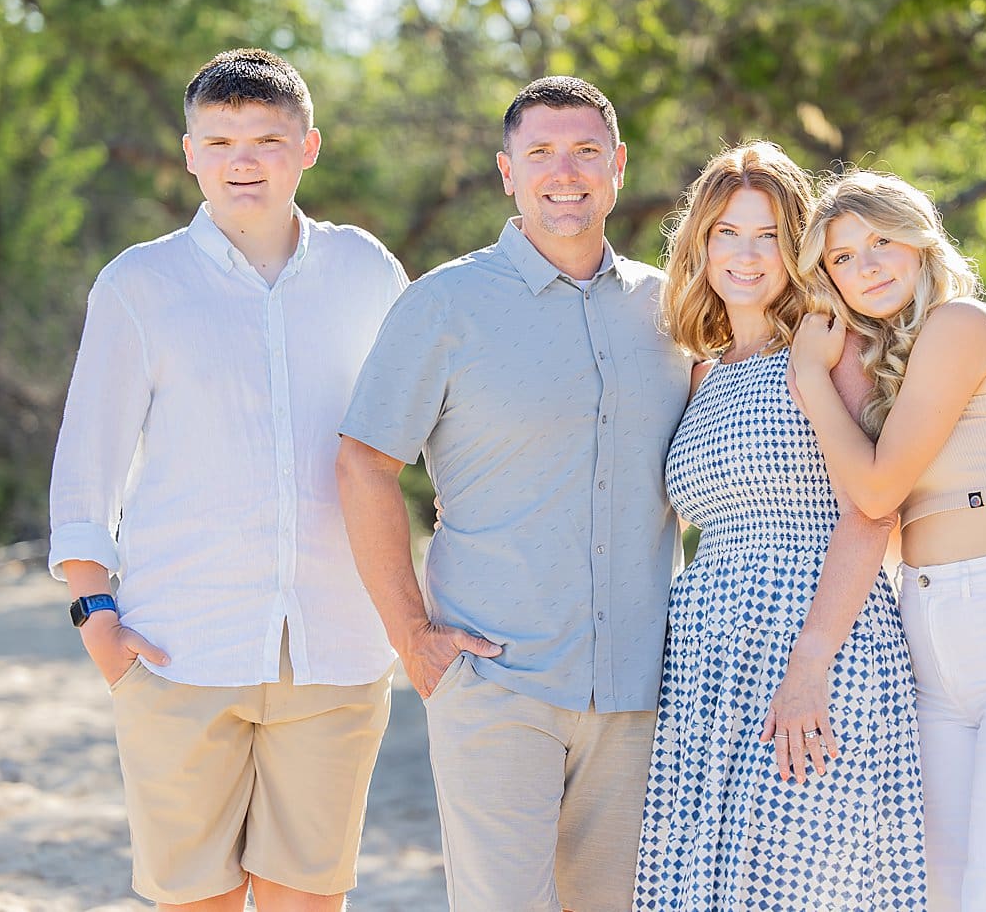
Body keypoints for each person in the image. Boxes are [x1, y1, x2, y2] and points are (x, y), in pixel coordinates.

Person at [48, 48, 407, 912]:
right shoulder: (141, 283)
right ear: (190, 154)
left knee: (307, 901)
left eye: (267, 139)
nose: (244, 159)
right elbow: (87, 458)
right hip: (178, 648)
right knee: (194, 904)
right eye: (221, 140)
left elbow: (434, 431)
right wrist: (96, 614)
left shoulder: (368, 273)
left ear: (309, 146)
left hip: (337, 651)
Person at [335, 75, 690, 912]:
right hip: (498, 678)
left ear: (617, 166)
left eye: (584, 151)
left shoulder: (671, 307)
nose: (563, 171)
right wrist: (412, 636)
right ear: (506, 171)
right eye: (540, 153)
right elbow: (362, 463)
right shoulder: (444, 304)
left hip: (640, 686)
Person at [790, 168, 986, 911]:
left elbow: (873, 492)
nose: (864, 266)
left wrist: (809, 376)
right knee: (940, 888)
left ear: (919, 239)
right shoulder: (886, 362)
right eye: (840, 257)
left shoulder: (960, 326)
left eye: (879, 240)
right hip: (927, 638)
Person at [632, 142, 927, 911]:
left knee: (799, 884)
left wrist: (810, 661)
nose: (747, 254)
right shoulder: (700, 369)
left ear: (796, 246)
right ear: (699, 244)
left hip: (819, 639)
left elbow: (871, 507)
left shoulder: (832, 345)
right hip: (710, 658)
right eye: (727, 232)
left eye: (768, 235)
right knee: (712, 885)